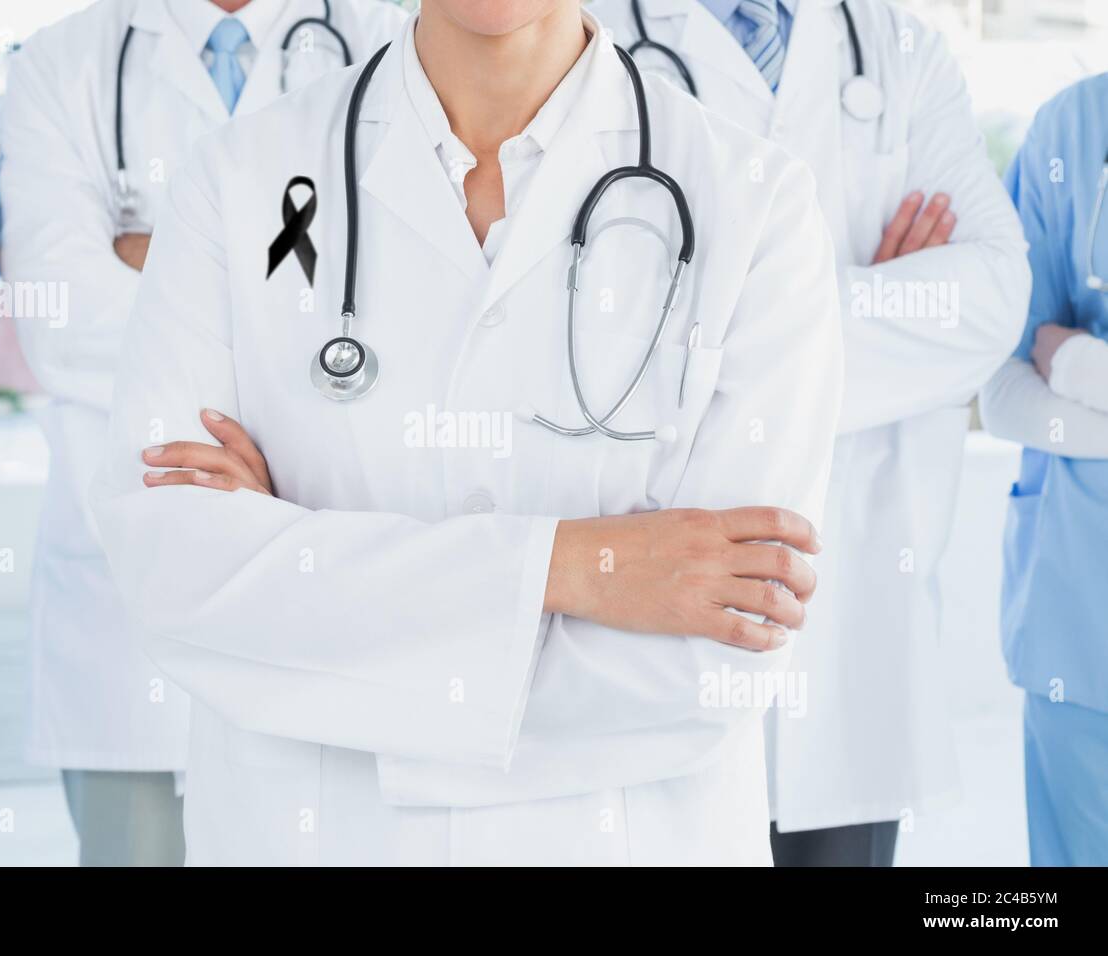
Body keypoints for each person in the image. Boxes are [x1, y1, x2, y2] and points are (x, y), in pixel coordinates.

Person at [90, 0, 844, 866]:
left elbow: (717, 660)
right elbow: (178, 570)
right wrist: (577, 567)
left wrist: (302, 599)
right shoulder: (237, 180)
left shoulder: (756, 205)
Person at [586, 0, 1030, 864]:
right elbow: (597, 349)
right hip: (656, 646)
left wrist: (719, 332)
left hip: (855, 644)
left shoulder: (901, 51)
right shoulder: (587, 40)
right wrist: (880, 303)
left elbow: (990, 301)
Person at [0, 0, 406, 867]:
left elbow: (407, 302)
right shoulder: (60, 65)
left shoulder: (385, 43)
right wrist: (295, 310)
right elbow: (60, 318)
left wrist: (159, 257)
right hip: (124, 597)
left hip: (332, 573)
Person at [979, 75, 1108, 867]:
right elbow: (1000, 389)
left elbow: (1046, 364)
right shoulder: (1069, 131)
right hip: (1081, 624)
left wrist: (1082, 365)